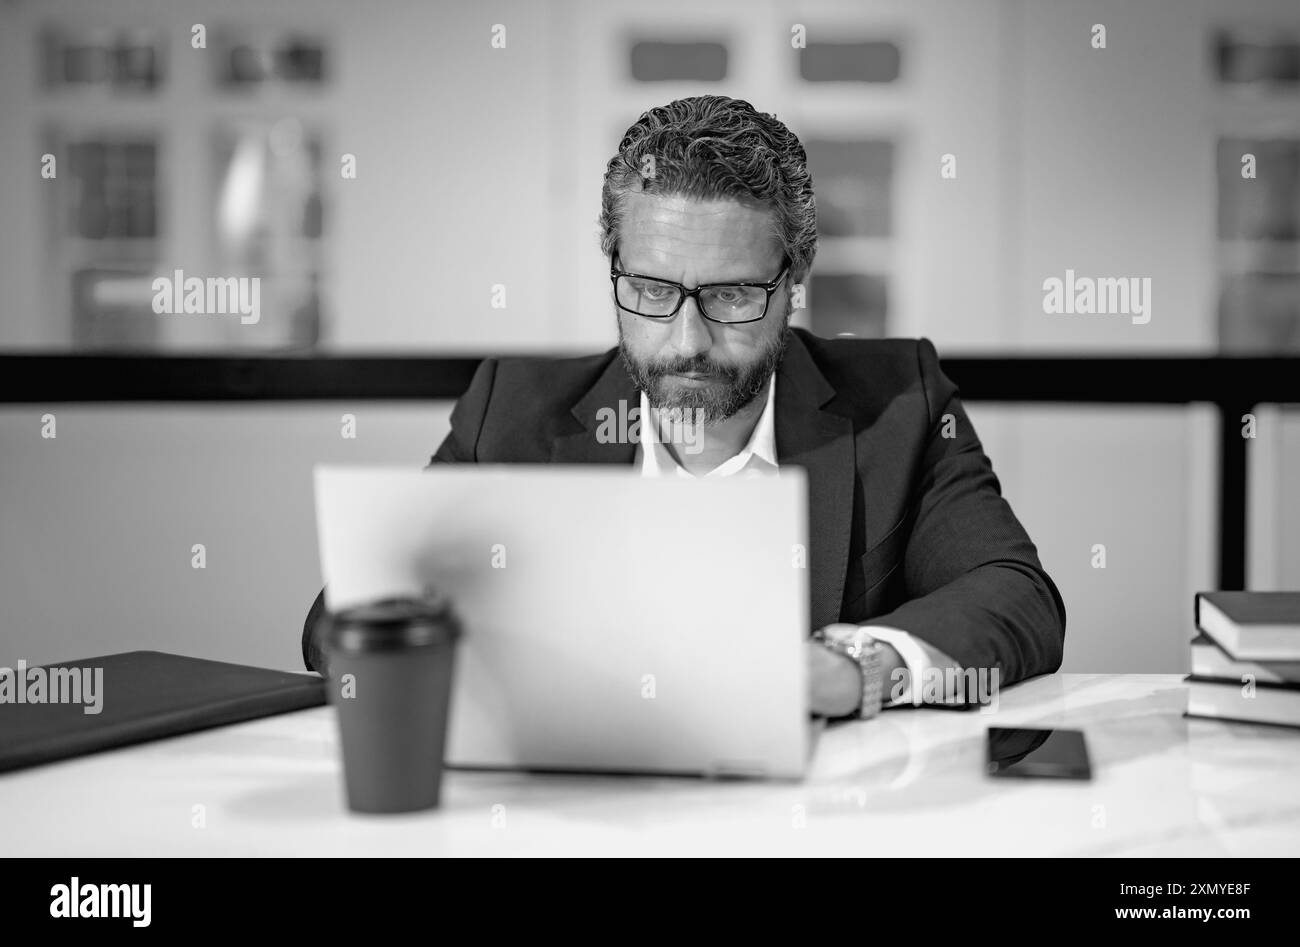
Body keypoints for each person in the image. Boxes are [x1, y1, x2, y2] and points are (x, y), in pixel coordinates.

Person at [304, 94, 1066, 720]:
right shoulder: (513, 411)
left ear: (794, 279)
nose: (687, 339)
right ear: (615, 266)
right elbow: (340, 620)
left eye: (732, 294)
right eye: (653, 291)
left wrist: (854, 669)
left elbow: (1017, 596)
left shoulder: (899, 401)